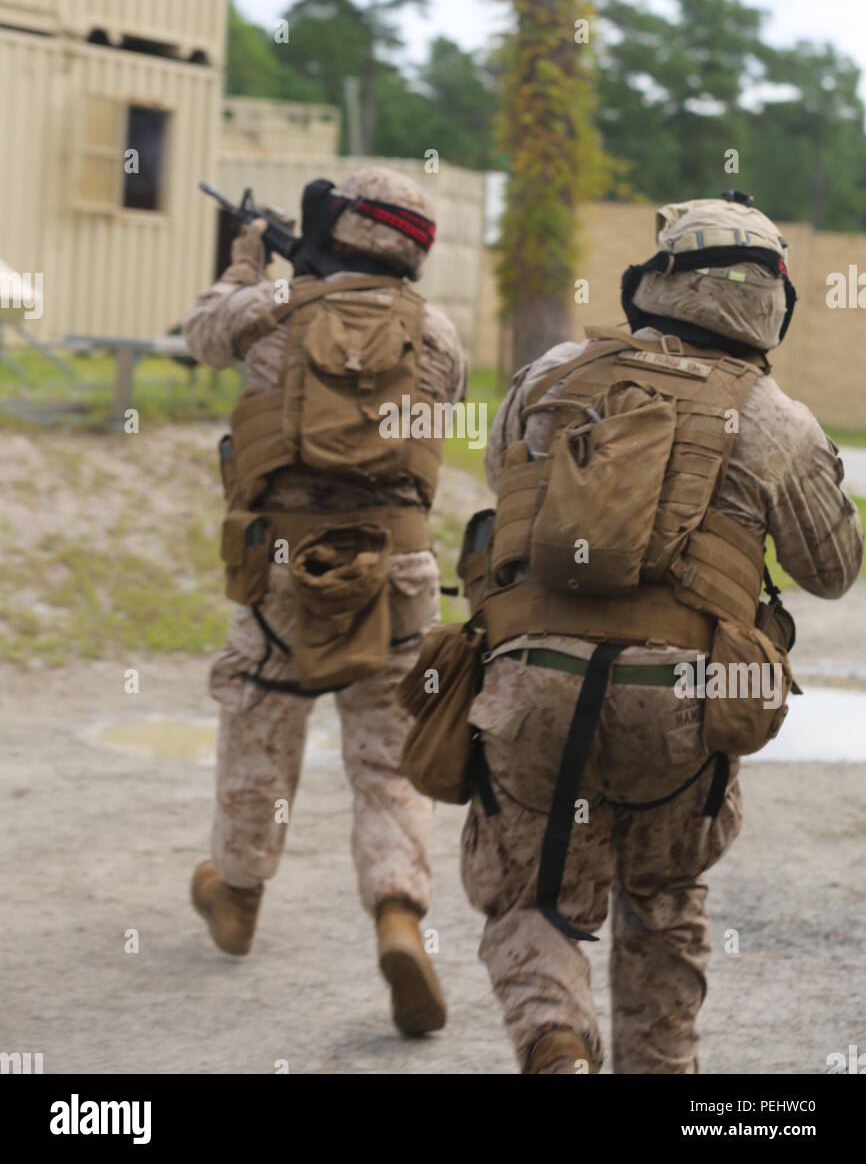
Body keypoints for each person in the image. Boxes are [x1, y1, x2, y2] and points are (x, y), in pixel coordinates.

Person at [460, 195, 864, 1073]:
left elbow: (504, 479)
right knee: (663, 899)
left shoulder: (552, 373)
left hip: (531, 682)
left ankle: (555, 1036)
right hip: (678, 710)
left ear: (655, 283)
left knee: (529, 892)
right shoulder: (774, 419)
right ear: (771, 308)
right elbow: (834, 569)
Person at [183, 165, 466, 1037]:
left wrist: (247, 266)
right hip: (398, 568)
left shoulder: (270, 309)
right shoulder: (440, 337)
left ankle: (236, 893)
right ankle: (397, 914)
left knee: (261, 723)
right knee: (386, 760)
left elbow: (201, 336)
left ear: (336, 225)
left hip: (284, 566)